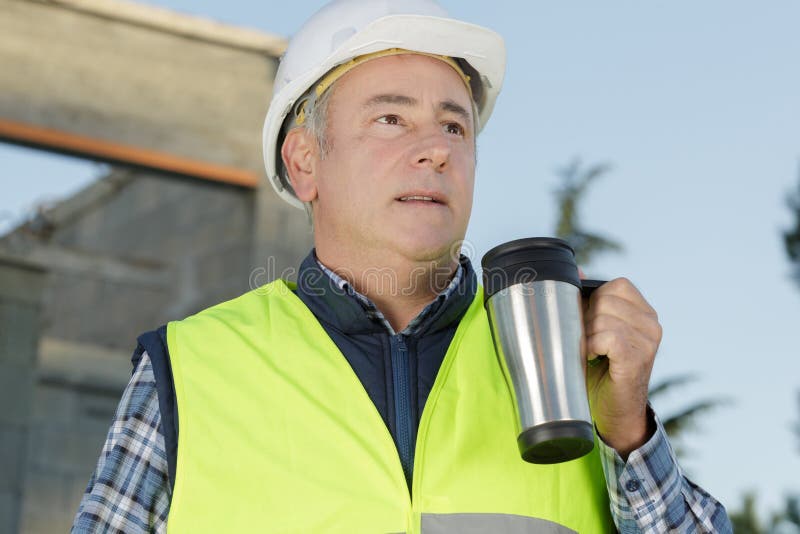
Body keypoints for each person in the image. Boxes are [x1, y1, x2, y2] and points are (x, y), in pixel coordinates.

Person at [72, 1, 733, 532]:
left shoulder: (565, 364)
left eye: (454, 128)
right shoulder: (188, 374)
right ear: (306, 163)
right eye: (391, 119)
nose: (436, 152)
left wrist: (627, 431)